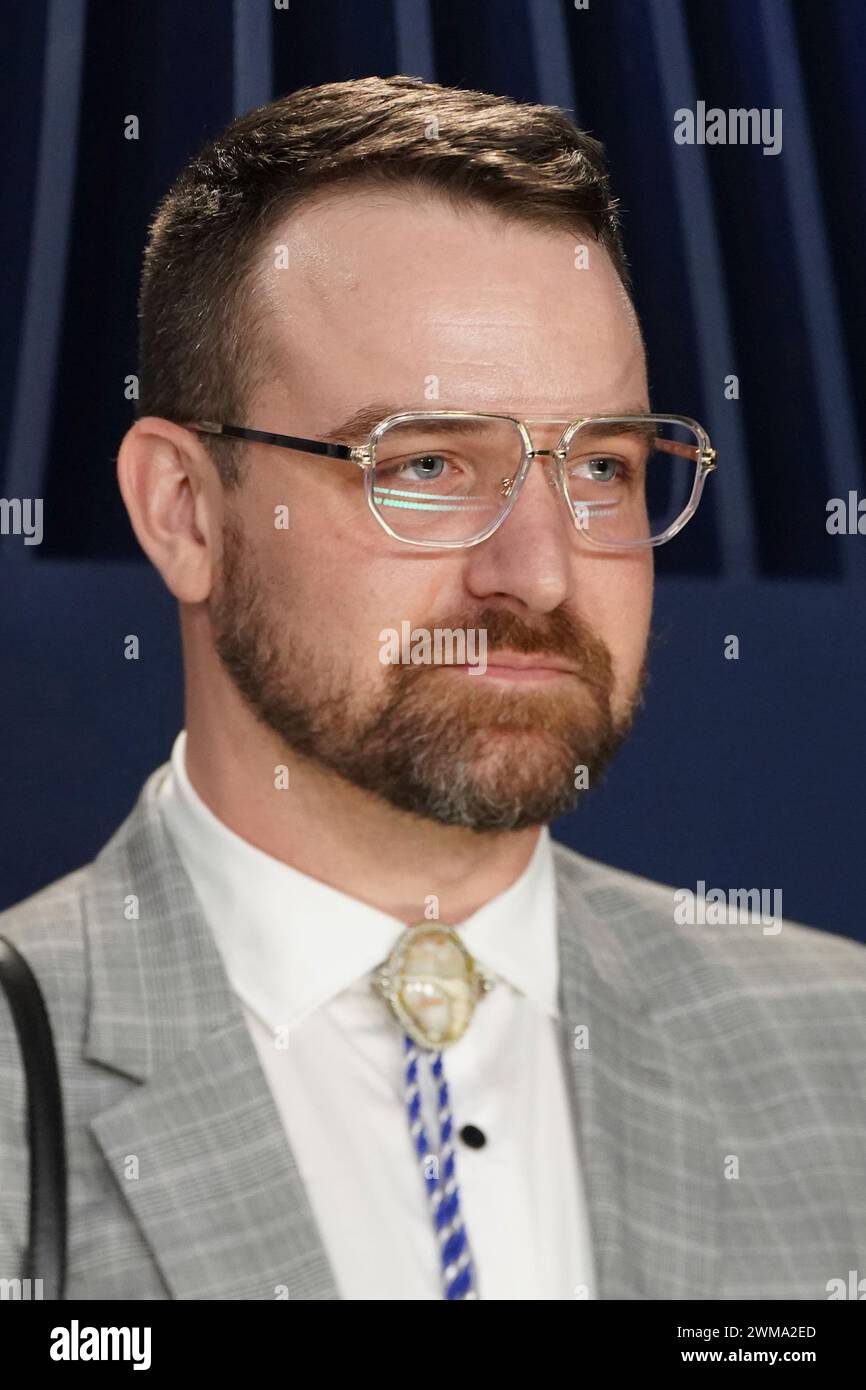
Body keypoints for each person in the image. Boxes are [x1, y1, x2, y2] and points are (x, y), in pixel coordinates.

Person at [2, 74, 865, 1302]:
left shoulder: (844, 1056)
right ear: (184, 511)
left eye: (603, 466)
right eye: (422, 465)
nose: (539, 571)